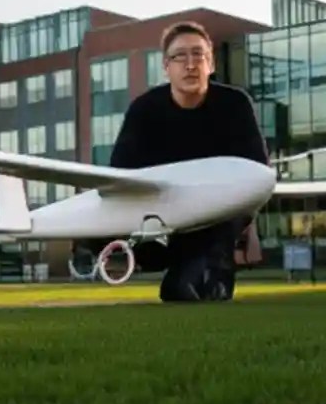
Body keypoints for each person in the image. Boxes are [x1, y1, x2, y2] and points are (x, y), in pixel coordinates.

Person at [109, 20, 270, 302]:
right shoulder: (144, 110)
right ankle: (194, 272)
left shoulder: (235, 105)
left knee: (207, 256)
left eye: (198, 55)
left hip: (221, 212)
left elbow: (258, 173)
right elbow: (119, 174)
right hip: (159, 214)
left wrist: (246, 227)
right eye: (179, 56)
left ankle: (203, 275)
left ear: (211, 63)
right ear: (165, 67)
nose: (190, 64)